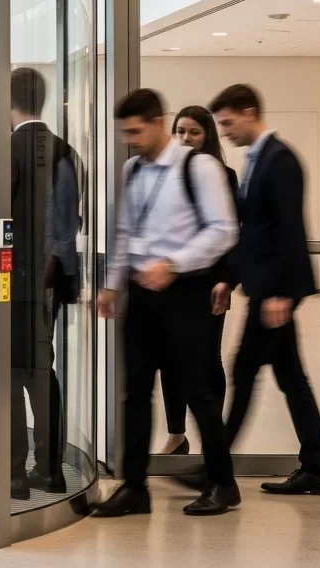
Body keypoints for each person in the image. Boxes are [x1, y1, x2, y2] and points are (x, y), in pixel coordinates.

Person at [93, 89, 240, 518]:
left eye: (136, 131)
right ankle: (134, 487)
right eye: (125, 134)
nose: (131, 140)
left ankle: (223, 483)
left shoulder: (201, 167)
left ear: (158, 122)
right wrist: (112, 284)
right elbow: (125, 232)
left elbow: (223, 230)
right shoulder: (132, 169)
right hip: (141, 294)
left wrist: (173, 264)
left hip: (185, 292)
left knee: (196, 391)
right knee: (135, 392)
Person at [208, 83, 320, 495]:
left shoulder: (280, 160)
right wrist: (231, 279)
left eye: (227, 123)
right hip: (264, 288)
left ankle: (216, 465)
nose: (224, 131)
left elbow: (290, 231)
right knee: (291, 379)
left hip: (273, 293)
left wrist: (282, 294)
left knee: (245, 372)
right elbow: (254, 233)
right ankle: (316, 467)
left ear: (249, 112)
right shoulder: (257, 160)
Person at [7, 67, 79, 498]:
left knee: (12, 375)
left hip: (11, 283)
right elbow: (69, 227)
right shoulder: (66, 151)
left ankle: (13, 474)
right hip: (47, 286)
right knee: (41, 371)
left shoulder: (8, 150)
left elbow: (2, 226)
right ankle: (49, 468)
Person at [158, 106, 239, 456]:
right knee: (169, 360)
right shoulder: (164, 173)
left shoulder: (223, 174)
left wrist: (227, 281)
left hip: (209, 284)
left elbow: (231, 235)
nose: (185, 139)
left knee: (207, 359)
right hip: (171, 281)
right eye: (180, 131)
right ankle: (176, 435)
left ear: (208, 135)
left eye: (194, 132)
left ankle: (211, 437)